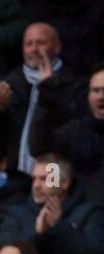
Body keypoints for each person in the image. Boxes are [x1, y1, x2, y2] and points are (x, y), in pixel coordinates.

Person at [0, 22, 83, 175]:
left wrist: (49, 89)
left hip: (54, 172)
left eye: (41, 43)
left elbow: (69, 133)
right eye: (28, 44)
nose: (34, 49)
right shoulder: (8, 83)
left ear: (57, 47)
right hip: (16, 173)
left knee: (51, 197)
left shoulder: (75, 85)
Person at [28, 63, 104, 203]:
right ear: (88, 96)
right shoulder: (75, 131)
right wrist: (46, 99)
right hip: (80, 218)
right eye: (95, 90)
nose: (101, 96)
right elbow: (39, 149)